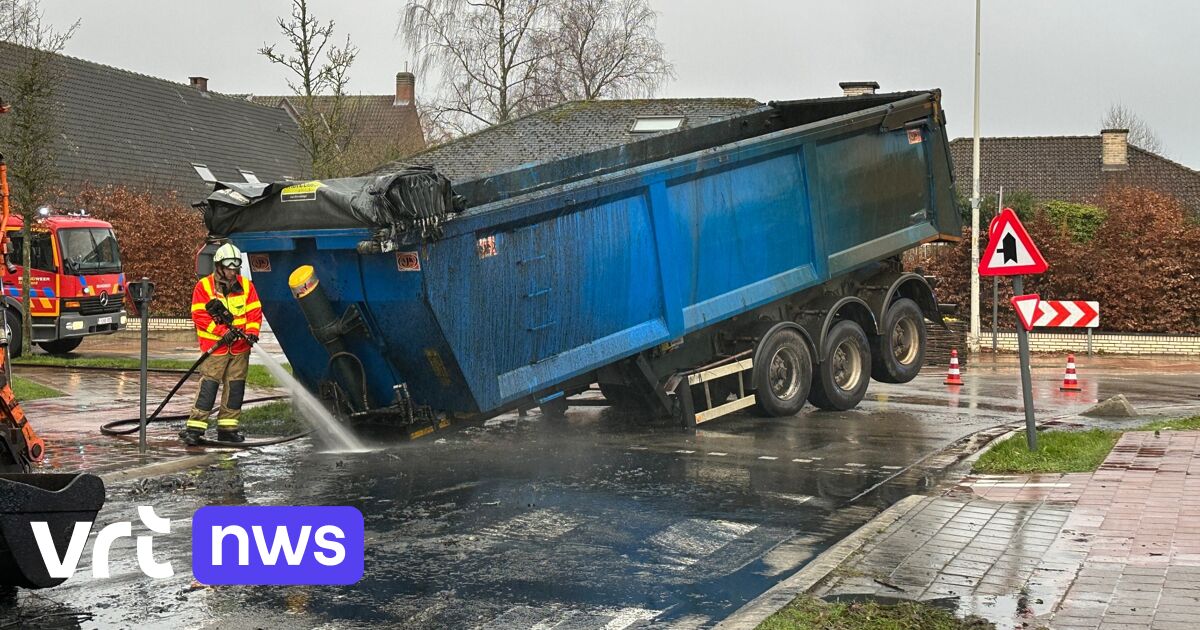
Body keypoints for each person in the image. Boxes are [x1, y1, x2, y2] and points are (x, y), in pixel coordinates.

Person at [183, 243, 262, 445]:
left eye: (235, 269)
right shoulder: (204, 287)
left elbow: (254, 312)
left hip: (240, 348)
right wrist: (222, 332)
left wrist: (252, 333)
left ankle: (228, 429)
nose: (232, 273)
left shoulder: (246, 286)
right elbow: (199, 315)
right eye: (228, 269)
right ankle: (195, 429)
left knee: (235, 388)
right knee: (209, 386)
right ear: (218, 267)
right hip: (216, 347)